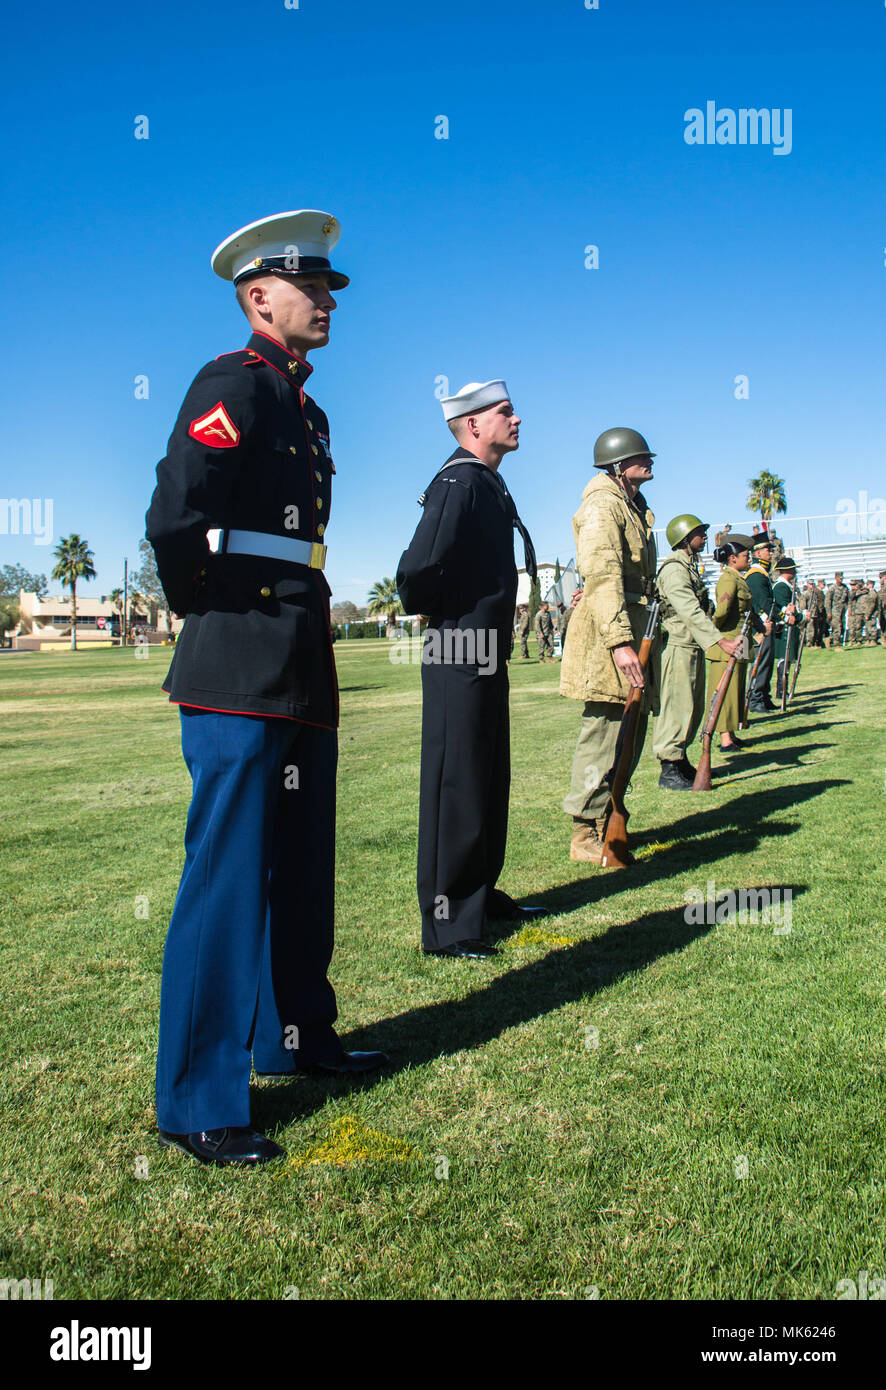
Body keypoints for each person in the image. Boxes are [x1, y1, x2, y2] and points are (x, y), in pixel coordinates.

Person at [145, 210, 387, 1169]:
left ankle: (294, 1039)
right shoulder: (234, 382)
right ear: (259, 297)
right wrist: (205, 604)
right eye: (313, 288)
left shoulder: (305, 405)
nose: (329, 301)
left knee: (299, 863)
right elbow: (175, 510)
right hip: (239, 654)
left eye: (329, 289)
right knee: (228, 877)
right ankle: (200, 1101)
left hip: (297, 654)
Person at [396, 380, 545, 960]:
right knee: (456, 781)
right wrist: (448, 614)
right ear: (473, 425)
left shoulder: (486, 481)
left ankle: (481, 896)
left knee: (486, 775)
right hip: (459, 647)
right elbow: (416, 570)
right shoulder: (457, 481)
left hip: (486, 646)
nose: (517, 418)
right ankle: (450, 921)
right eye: (505, 411)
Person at [560, 427, 658, 863]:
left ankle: (611, 818)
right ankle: (585, 833)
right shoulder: (603, 506)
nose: (650, 462)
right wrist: (619, 641)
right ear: (619, 465)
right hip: (610, 632)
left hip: (632, 623)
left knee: (630, 730)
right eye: (641, 457)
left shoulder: (632, 506)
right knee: (603, 732)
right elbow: (602, 577)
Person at [653, 515, 746, 789]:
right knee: (677, 707)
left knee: (692, 708)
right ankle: (669, 768)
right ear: (684, 538)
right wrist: (718, 640)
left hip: (690, 644)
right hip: (678, 644)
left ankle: (680, 761)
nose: (705, 537)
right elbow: (689, 610)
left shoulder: (689, 567)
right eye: (699, 533)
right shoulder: (674, 569)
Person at [703, 535, 763, 751]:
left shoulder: (739, 578)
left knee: (736, 689)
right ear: (732, 559)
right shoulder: (729, 579)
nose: (749, 559)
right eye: (745, 556)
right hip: (729, 640)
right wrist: (716, 634)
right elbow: (722, 612)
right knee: (725, 690)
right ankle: (725, 737)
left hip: (741, 639)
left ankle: (732, 732)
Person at [745, 532, 777, 712]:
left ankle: (764, 696)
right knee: (760, 662)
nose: (770, 553)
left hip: (765, 624)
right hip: (760, 626)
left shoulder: (762, 573)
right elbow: (764, 603)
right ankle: (755, 699)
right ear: (757, 553)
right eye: (767, 550)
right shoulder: (756, 575)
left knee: (766, 662)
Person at [772, 557, 801, 696]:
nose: (795, 571)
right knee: (784, 659)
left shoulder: (786, 585)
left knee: (787, 660)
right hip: (784, 628)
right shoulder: (781, 586)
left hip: (788, 627)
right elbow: (783, 608)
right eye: (793, 568)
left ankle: (783, 689)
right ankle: (781, 690)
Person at [825, 571, 849, 648]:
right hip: (834, 611)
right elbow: (827, 601)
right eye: (839, 578)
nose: (841, 579)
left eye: (842, 578)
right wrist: (829, 612)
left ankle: (829, 639)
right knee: (837, 628)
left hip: (842, 611)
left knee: (842, 628)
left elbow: (848, 600)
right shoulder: (832, 589)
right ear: (836, 578)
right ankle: (836, 645)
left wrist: (848, 609)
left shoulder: (845, 588)